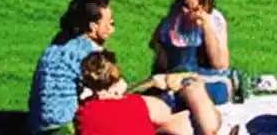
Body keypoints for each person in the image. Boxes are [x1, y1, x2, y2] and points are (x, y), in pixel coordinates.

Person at [27, 0, 115, 134]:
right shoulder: (89, 52)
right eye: (109, 24)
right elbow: (110, 85)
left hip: (37, 125)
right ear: (93, 27)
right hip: (65, 127)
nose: (112, 29)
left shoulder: (58, 43)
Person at [75, 50, 221, 135]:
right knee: (186, 112)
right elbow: (165, 113)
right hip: (170, 102)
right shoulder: (135, 104)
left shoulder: (82, 115)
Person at [150, 0, 231, 105]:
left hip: (204, 75)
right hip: (173, 76)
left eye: (194, 9)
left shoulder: (214, 21)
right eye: (185, 7)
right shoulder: (173, 20)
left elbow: (220, 65)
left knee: (215, 91)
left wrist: (206, 28)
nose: (188, 13)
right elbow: (155, 46)